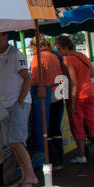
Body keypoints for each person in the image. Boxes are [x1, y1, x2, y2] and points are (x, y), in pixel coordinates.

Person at [0, 32, 39, 187]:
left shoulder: (16, 54)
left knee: (16, 141)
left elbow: (27, 78)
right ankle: (25, 175)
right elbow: (2, 82)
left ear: (5, 36)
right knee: (13, 142)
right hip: (7, 104)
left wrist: (20, 100)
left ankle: (30, 175)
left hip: (17, 103)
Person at [54, 36, 94, 163]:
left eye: (59, 49)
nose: (59, 52)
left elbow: (74, 82)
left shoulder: (68, 60)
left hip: (78, 95)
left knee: (77, 125)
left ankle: (82, 156)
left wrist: (71, 102)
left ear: (65, 47)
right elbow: (93, 74)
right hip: (90, 93)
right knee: (93, 123)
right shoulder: (83, 56)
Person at [27, 35, 65, 170]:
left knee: (45, 130)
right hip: (58, 94)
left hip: (46, 97)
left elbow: (35, 79)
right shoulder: (53, 55)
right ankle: (59, 159)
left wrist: (25, 85)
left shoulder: (38, 57)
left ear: (33, 46)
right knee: (55, 129)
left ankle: (52, 160)